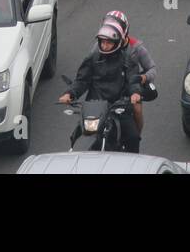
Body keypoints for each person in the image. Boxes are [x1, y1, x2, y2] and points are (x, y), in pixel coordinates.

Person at [58, 18, 143, 152]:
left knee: (133, 137)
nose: (104, 45)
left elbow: (133, 80)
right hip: (95, 108)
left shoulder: (128, 60)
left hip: (118, 107)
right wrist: (69, 93)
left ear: (117, 42)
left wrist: (135, 93)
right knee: (77, 138)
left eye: (109, 42)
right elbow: (81, 81)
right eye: (102, 42)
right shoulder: (92, 59)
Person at [100, 10, 158, 133]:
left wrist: (143, 78)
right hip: (108, 87)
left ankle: (137, 136)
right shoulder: (101, 46)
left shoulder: (136, 48)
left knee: (137, 109)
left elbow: (152, 69)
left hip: (131, 88)